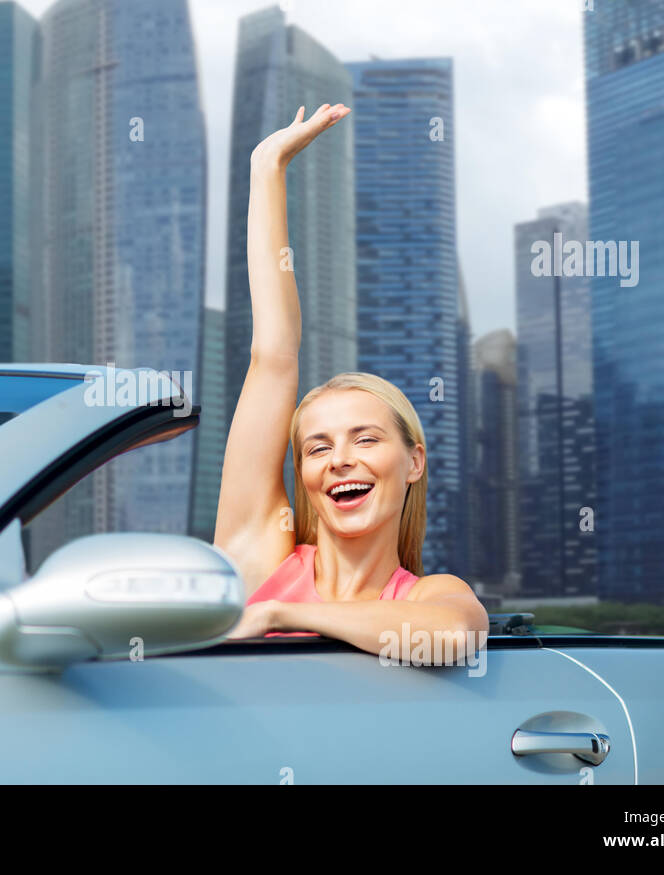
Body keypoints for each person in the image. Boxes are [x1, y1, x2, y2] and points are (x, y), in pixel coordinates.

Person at [218, 103, 488, 664]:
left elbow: (454, 638)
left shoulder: (435, 595)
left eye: (365, 439)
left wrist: (276, 614)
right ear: (305, 476)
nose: (339, 459)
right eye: (318, 447)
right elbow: (273, 353)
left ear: (414, 461)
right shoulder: (260, 556)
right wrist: (267, 164)